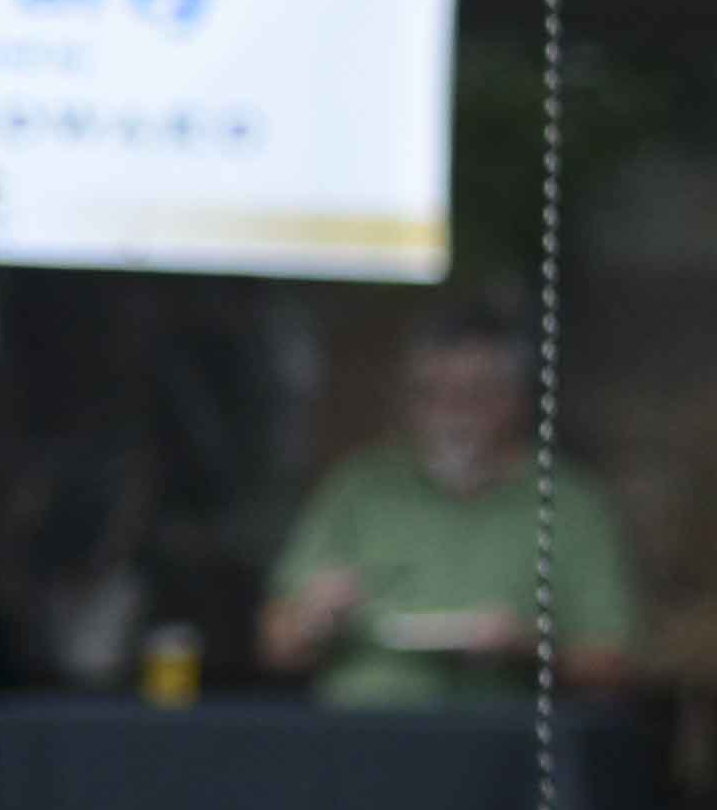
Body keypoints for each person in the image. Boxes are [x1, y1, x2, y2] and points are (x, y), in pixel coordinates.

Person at [258, 300, 637, 702]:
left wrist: (530, 647)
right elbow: (276, 648)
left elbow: (616, 664)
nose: (453, 411)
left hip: (501, 729)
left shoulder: (570, 504)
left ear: (519, 400)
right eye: (431, 393)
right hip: (364, 723)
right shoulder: (360, 489)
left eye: (476, 393)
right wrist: (313, 618)